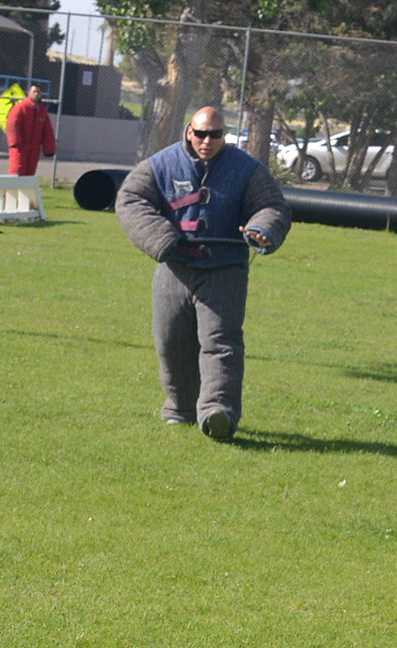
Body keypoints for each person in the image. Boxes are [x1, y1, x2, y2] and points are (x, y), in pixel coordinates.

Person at [115, 105, 290, 440]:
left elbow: (272, 206)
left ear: (225, 135)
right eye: (200, 134)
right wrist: (160, 238)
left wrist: (261, 229)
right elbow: (130, 199)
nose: (207, 141)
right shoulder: (161, 164)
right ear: (189, 131)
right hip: (174, 267)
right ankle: (180, 408)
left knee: (220, 343)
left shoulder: (247, 169)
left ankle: (217, 412)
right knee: (170, 343)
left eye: (215, 135)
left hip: (225, 270)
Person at [6, 82, 56, 178]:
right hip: (20, 146)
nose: (36, 94)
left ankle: (26, 189)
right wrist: (15, 142)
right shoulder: (21, 107)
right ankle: (12, 188)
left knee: (30, 173)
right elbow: (12, 124)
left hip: (35, 147)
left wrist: (49, 149)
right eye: (34, 92)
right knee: (17, 171)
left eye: (38, 92)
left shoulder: (42, 111)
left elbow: (47, 131)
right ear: (29, 93)